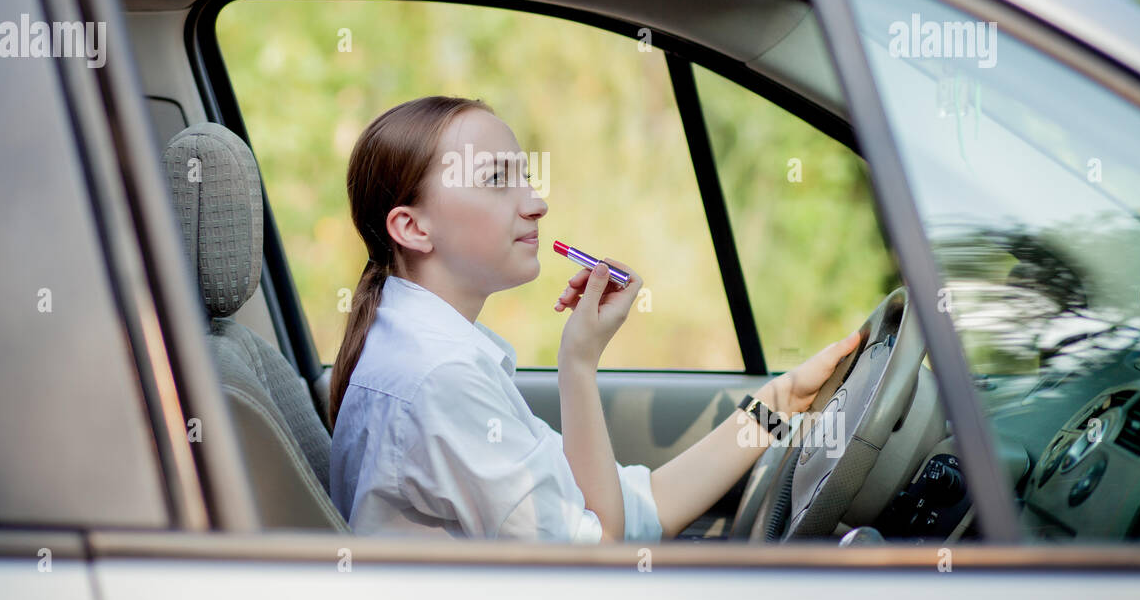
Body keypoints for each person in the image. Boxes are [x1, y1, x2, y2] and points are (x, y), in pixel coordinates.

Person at [328, 95, 860, 542]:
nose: (536, 203)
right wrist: (578, 364)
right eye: (496, 180)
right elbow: (601, 559)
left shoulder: (433, 354)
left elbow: (634, 511)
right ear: (413, 228)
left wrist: (782, 401)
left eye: (527, 178)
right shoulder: (440, 379)